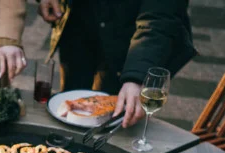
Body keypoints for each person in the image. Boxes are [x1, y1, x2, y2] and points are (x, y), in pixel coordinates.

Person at [38, 0, 196, 127]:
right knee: (69, 110)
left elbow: (160, 17)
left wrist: (136, 76)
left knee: (110, 120)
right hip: (76, 23)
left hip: (130, 41)